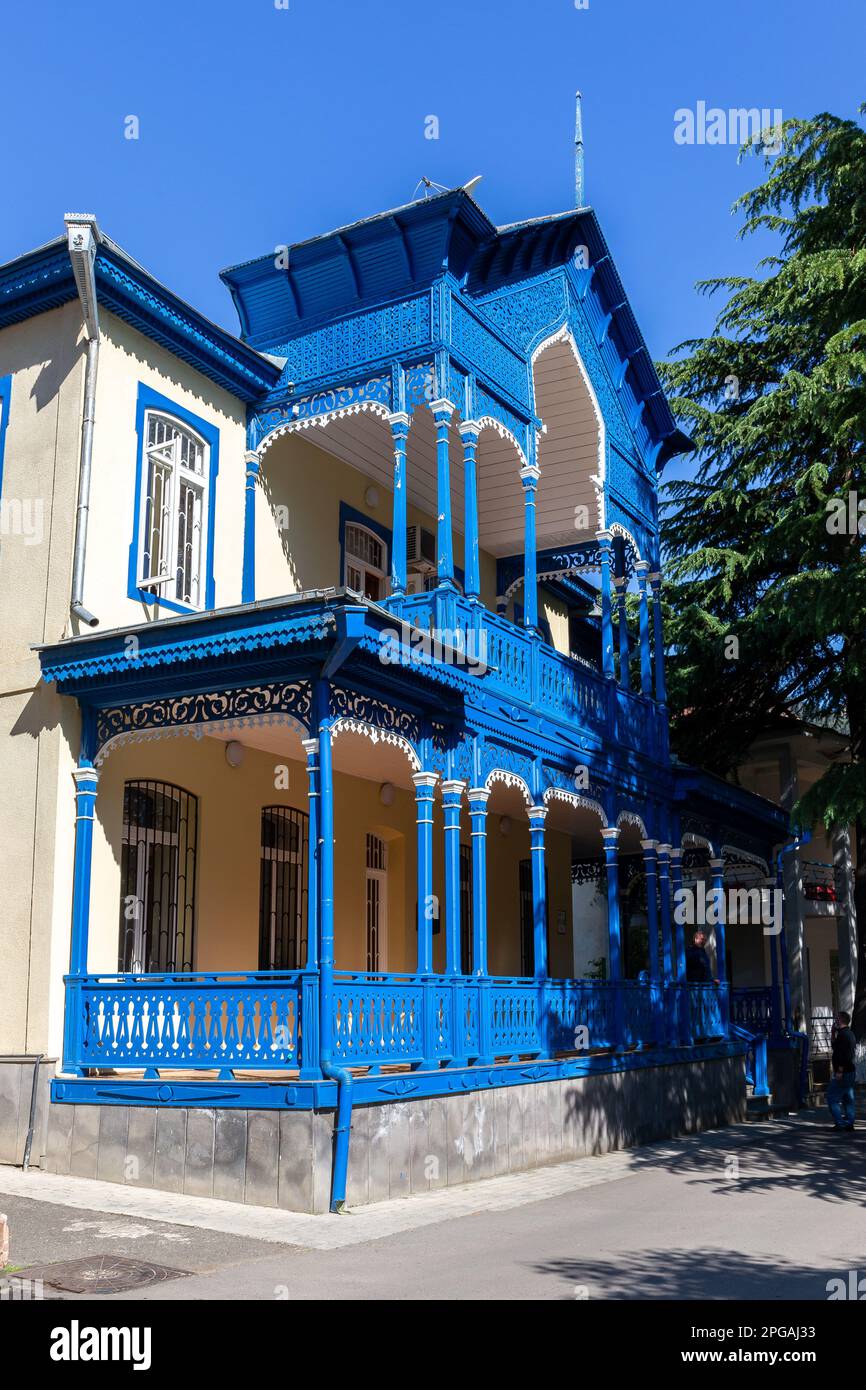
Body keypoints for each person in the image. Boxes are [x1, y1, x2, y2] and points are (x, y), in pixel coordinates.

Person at [827, 1011, 857, 1132]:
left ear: (841, 1020)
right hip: (849, 1071)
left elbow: (845, 1055)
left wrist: (839, 1071)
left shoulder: (845, 1035)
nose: (835, 1020)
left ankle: (840, 1123)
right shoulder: (846, 1034)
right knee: (847, 1098)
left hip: (844, 1072)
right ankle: (849, 1123)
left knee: (832, 1097)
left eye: (836, 1018)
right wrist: (833, 1032)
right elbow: (834, 1047)